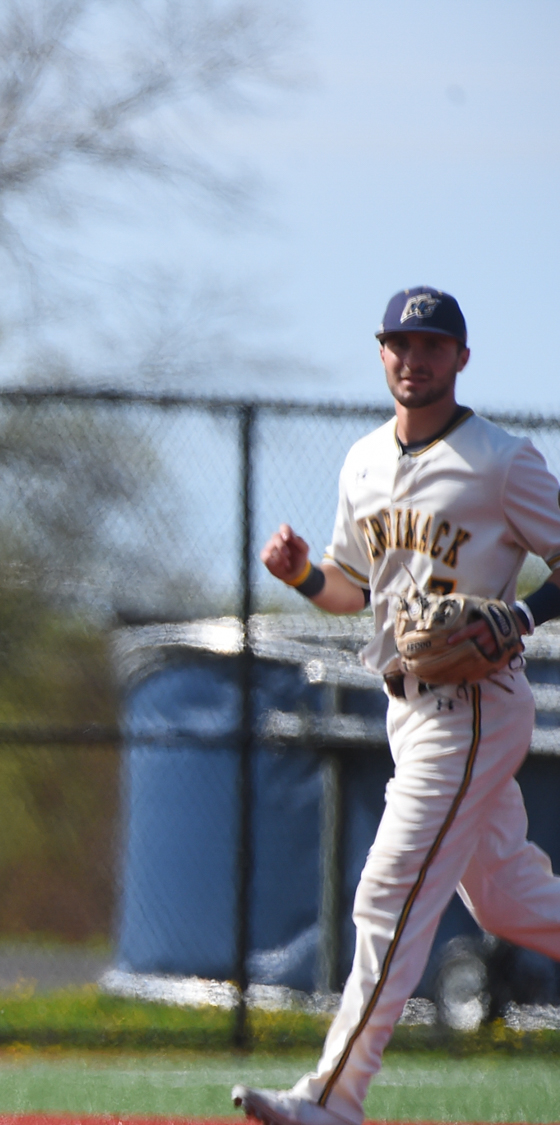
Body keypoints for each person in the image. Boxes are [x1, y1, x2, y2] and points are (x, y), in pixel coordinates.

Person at [236, 287, 560, 1125]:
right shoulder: (361, 463)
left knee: (387, 890)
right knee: (511, 902)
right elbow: (354, 591)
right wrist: (305, 575)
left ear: (461, 357)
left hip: (474, 703)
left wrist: (519, 614)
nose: (412, 358)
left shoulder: (500, 459)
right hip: (407, 709)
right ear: (381, 352)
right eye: (399, 343)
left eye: (431, 344)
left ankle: (334, 1099)